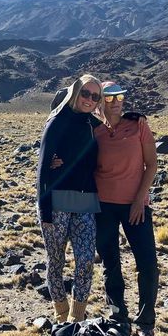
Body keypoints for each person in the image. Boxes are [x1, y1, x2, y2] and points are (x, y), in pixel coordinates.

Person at [94, 81, 160, 336]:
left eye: (120, 95)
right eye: (109, 98)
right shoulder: (92, 129)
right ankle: (119, 319)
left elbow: (152, 164)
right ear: (99, 102)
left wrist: (139, 200)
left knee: (147, 265)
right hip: (103, 207)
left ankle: (146, 328)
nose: (117, 101)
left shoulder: (138, 124)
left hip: (136, 207)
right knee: (111, 264)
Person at [36, 74, 102, 323]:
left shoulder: (92, 125)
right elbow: (43, 168)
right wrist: (45, 211)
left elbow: (114, 133)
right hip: (57, 202)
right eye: (85, 93)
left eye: (95, 96)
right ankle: (61, 314)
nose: (89, 99)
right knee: (56, 260)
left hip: (85, 202)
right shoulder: (56, 122)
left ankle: (78, 316)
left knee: (85, 260)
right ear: (76, 92)